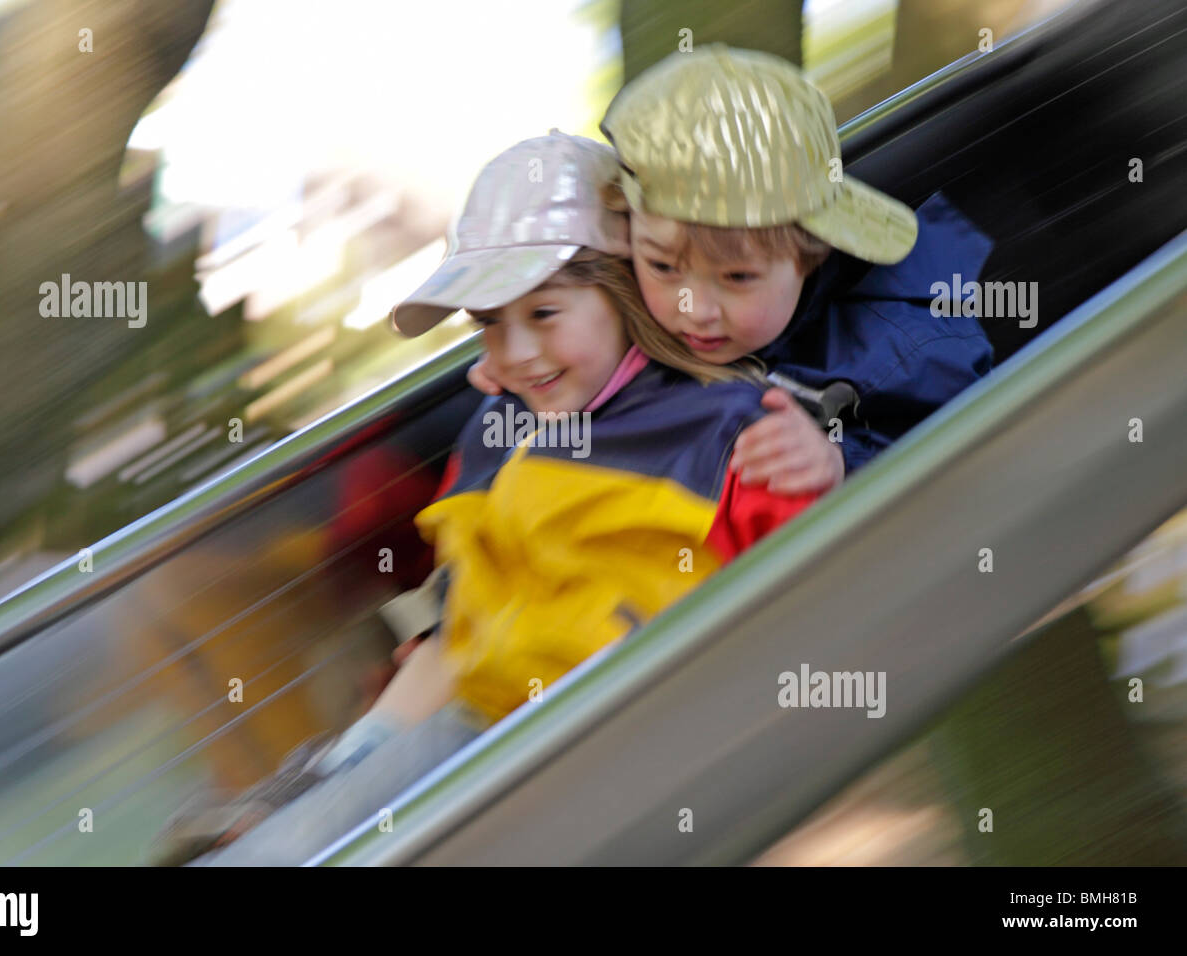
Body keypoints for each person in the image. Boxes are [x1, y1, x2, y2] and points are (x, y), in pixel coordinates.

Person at [178, 130, 816, 866]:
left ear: (625, 290)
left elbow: (811, 583)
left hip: (610, 755)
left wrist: (824, 462)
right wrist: (353, 761)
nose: (513, 354)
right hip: (478, 736)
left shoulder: (726, 433)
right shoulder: (503, 430)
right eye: (489, 325)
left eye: (544, 314)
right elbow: (460, 625)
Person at [470, 46, 995, 497]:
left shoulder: (909, 350)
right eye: (662, 266)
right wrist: (523, 373)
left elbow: (976, 468)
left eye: (737, 278)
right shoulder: (644, 305)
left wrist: (842, 464)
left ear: (813, 248)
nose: (693, 310)